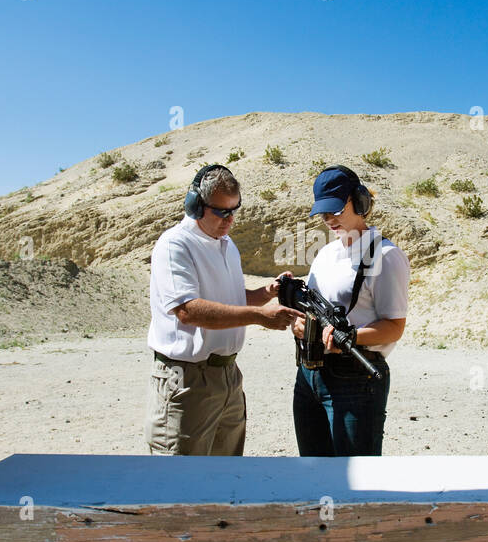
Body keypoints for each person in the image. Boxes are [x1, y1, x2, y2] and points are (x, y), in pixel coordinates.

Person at [146, 164, 302, 456]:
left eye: (234, 210)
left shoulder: (226, 245)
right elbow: (189, 310)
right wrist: (259, 317)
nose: (230, 219)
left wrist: (264, 294)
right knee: (180, 483)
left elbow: (228, 298)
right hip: (187, 377)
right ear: (195, 206)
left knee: (225, 476)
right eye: (221, 212)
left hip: (228, 375)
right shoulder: (175, 245)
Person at [292, 165, 410, 456]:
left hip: (356, 379)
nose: (328, 219)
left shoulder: (385, 256)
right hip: (310, 375)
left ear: (359, 202)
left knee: (358, 481)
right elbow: (312, 306)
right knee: (313, 473)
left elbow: (394, 327)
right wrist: (300, 325)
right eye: (323, 213)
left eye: (335, 210)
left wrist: (350, 337)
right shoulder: (325, 254)